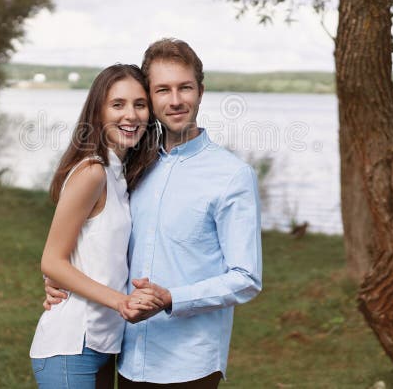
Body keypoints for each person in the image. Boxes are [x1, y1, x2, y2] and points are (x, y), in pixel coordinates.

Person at [46, 39, 263, 388]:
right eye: (163, 89)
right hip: (127, 355)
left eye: (185, 87)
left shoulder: (232, 176)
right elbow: (102, 240)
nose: (175, 100)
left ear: (201, 91)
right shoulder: (133, 166)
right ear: (150, 98)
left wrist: (172, 298)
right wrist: (62, 276)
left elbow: (246, 277)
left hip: (189, 362)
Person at [29, 64, 164, 389]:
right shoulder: (92, 172)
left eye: (139, 104)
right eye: (117, 104)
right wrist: (121, 301)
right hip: (72, 344)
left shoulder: (119, 173)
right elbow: (52, 261)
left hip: (104, 344)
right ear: (98, 111)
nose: (130, 115)